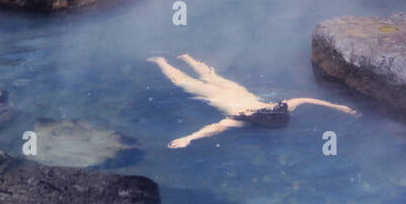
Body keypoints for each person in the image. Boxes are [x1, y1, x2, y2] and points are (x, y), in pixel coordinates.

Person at [148, 52, 358, 148]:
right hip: (218, 94)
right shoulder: (247, 117)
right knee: (184, 80)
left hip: (229, 90)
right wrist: (337, 106)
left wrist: (336, 106)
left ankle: (180, 59)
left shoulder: (265, 111)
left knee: (207, 76)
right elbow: (213, 128)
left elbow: (304, 100)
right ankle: (165, 60)